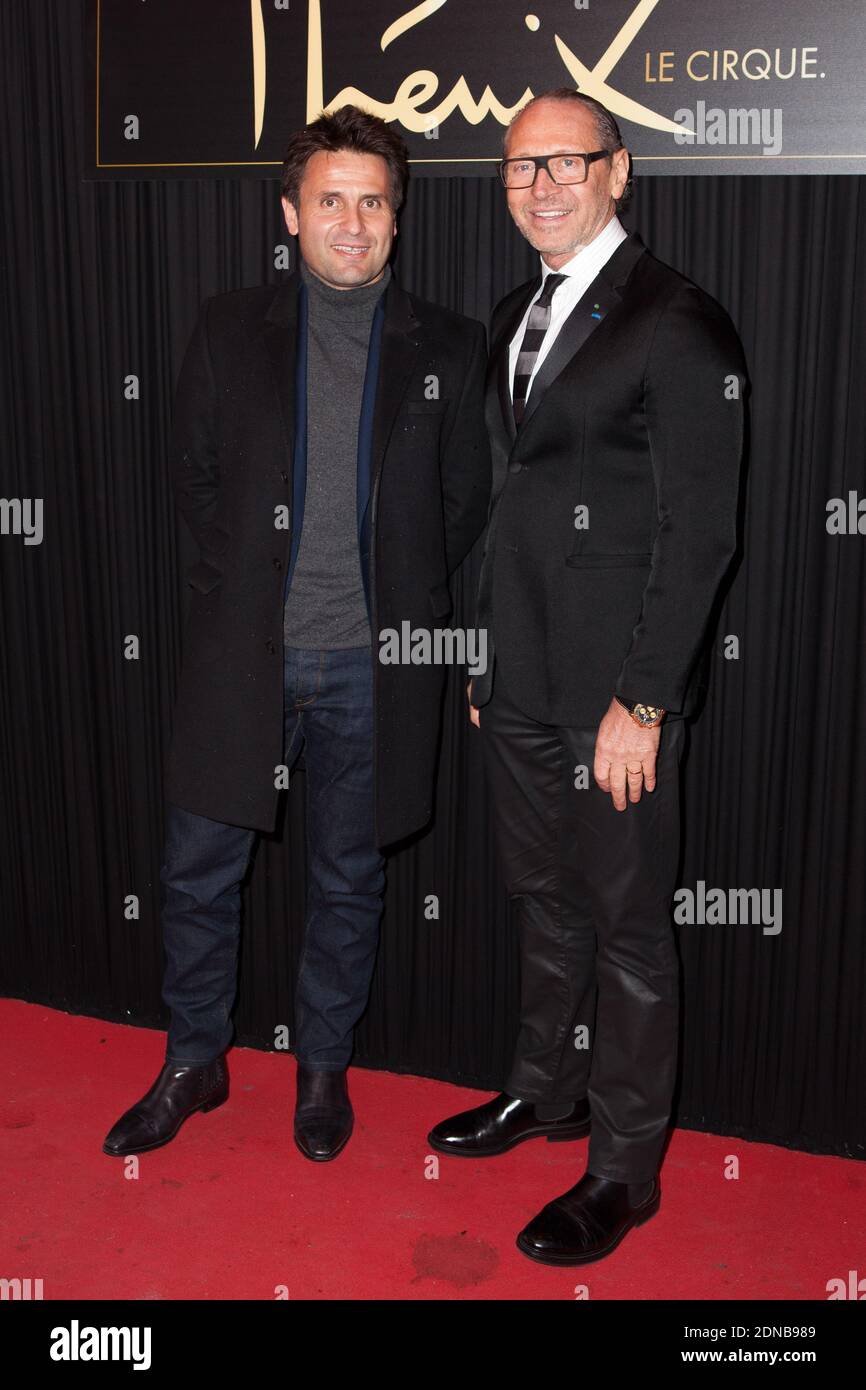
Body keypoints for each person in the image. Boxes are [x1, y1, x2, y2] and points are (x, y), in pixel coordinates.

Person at [103, 105, 490, 1164]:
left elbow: (464, 504)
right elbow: (193, 478)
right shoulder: (229, 327)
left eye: (373, 201)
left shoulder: (450, 347)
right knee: (195, 868)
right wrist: (237, 595)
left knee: (348, 877)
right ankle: (195, 1059)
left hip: (375, 672)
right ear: (290, 211)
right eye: (331, 199)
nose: (352, 221)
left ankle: (321, 1065)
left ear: (396, 220)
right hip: (247, 655)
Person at [428, 88, 747, 1265]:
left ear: (619, 171)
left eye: (565, 162)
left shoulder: (677, 321)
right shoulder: (515, 308)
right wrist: (483, 645)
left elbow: (701, 532)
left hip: (613, 699)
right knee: (543, 903)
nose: (540, 185)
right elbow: (503, 507)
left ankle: (622, 1169)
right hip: (516, 679)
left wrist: (645, 699)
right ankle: (542, 1091)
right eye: (518, 168)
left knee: (624, 933)